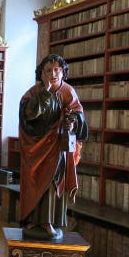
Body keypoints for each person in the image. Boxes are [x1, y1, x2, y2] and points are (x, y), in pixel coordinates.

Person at [18, 54, 88, 240]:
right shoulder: (33, 93)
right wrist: (45, 93)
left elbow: (79, 116)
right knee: (34, 181)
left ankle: (49, 221)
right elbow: (28, 115)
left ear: (63, 72)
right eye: (48, 71)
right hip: (36, 147)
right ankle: (32, 218)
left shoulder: (68, 92)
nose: (53, 74)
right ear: (41, 74)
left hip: (57, 148)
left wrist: (71, 122)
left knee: (52, 183)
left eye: (57, 70)